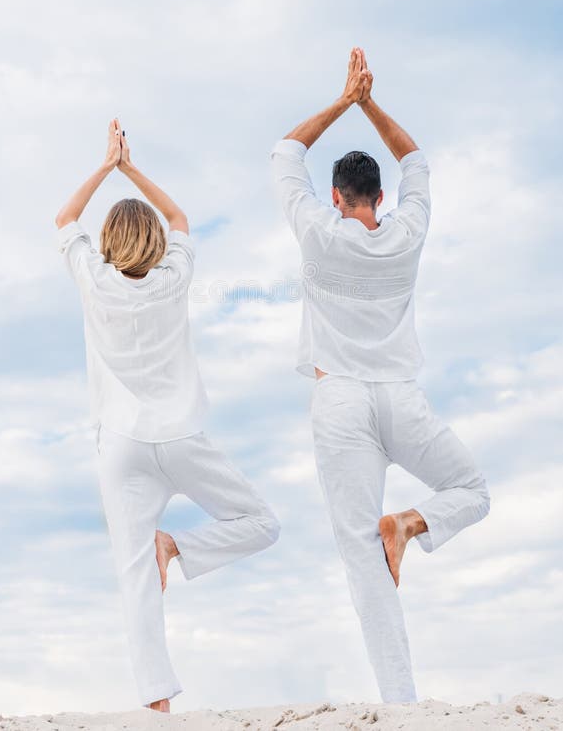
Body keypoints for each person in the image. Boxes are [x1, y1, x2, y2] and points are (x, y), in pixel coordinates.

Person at [270, 49, 490, 703]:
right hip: (401, 398)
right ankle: (414, 521)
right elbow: (416, 159)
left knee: (362, 559)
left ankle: (401, 705)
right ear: (381, 197)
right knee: (471, 491)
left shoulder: (316, 231)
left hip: (338, 402)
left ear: (334, 197)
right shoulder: (407, 233)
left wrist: (342, 101)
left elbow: (286, 151)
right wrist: (370, 104)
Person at [55, 119, 280, 712]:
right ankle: (176, 546)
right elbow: (180, 218)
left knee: (134, 576)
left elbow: (63, 221)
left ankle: (157, 704)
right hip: (181, 437)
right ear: (153, 241)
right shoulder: (173, 279)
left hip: (122, 445)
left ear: (109, 241)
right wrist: (131, 169)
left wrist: (105, 166)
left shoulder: (94, 281)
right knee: (262, 522)